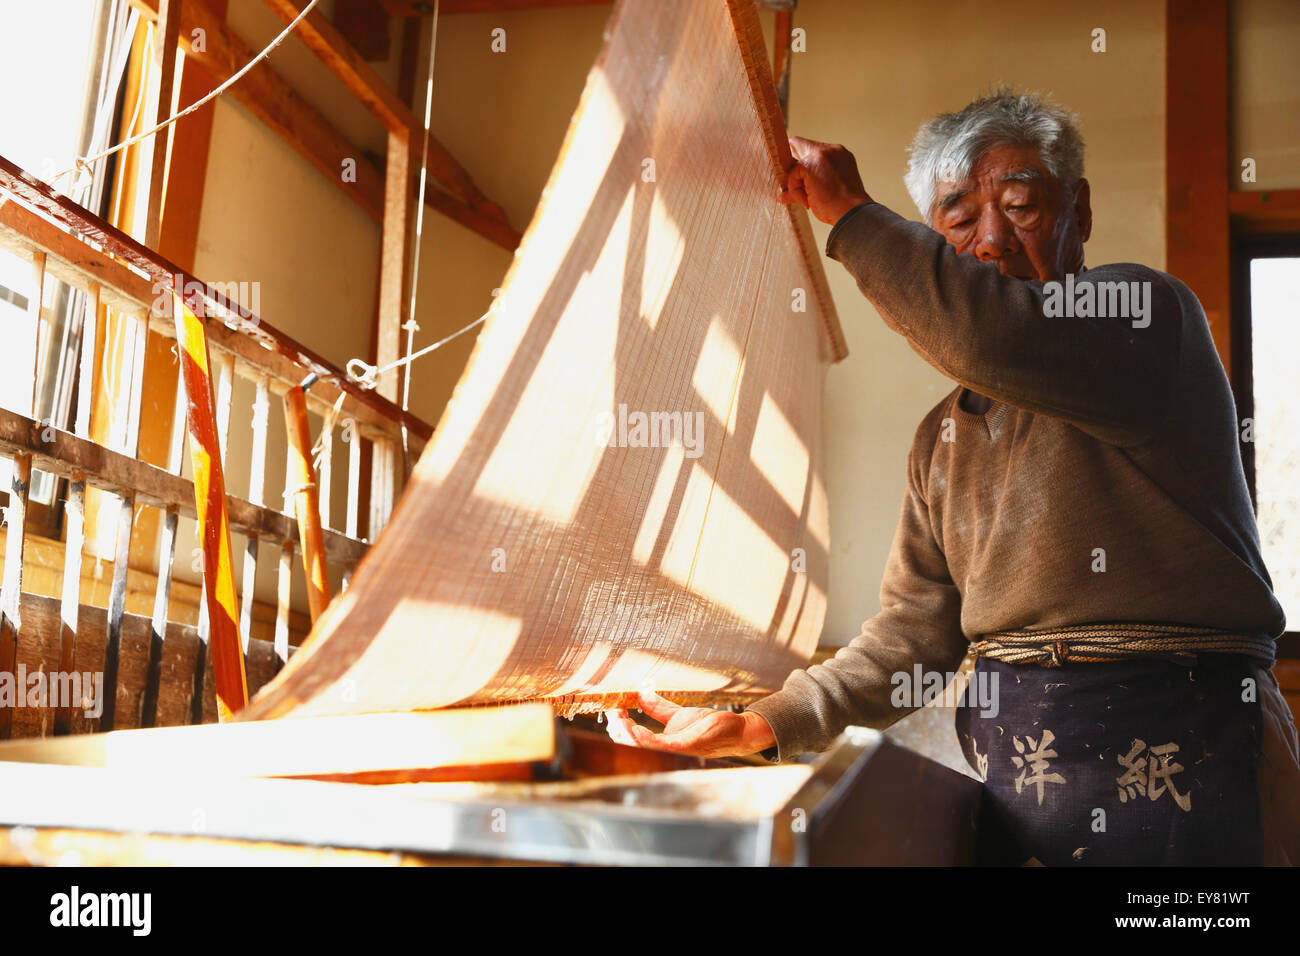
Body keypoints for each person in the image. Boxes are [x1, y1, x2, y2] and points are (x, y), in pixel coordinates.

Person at [604, 89, 1300, 865]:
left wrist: (854, 216)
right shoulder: (942, 437)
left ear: (1082, 212)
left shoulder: (1146, 315)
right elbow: (915, 632)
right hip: (1027, 772)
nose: (992, 241)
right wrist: (770, 720)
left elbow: (991, 333)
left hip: (1188, 740)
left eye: (1022, 207)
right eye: (960, 219)